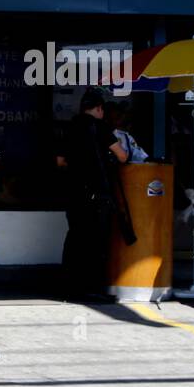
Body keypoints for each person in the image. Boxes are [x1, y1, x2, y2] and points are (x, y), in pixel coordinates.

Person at [59, 87, 129, 299]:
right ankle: (93, 289)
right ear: (99, 109)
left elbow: (60, 161)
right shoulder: (101, 128)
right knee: (96, 242)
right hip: (97, 193)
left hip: (74, 193)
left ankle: (71, 286)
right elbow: (123, 156)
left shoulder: (70, 128)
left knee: (75, 238)